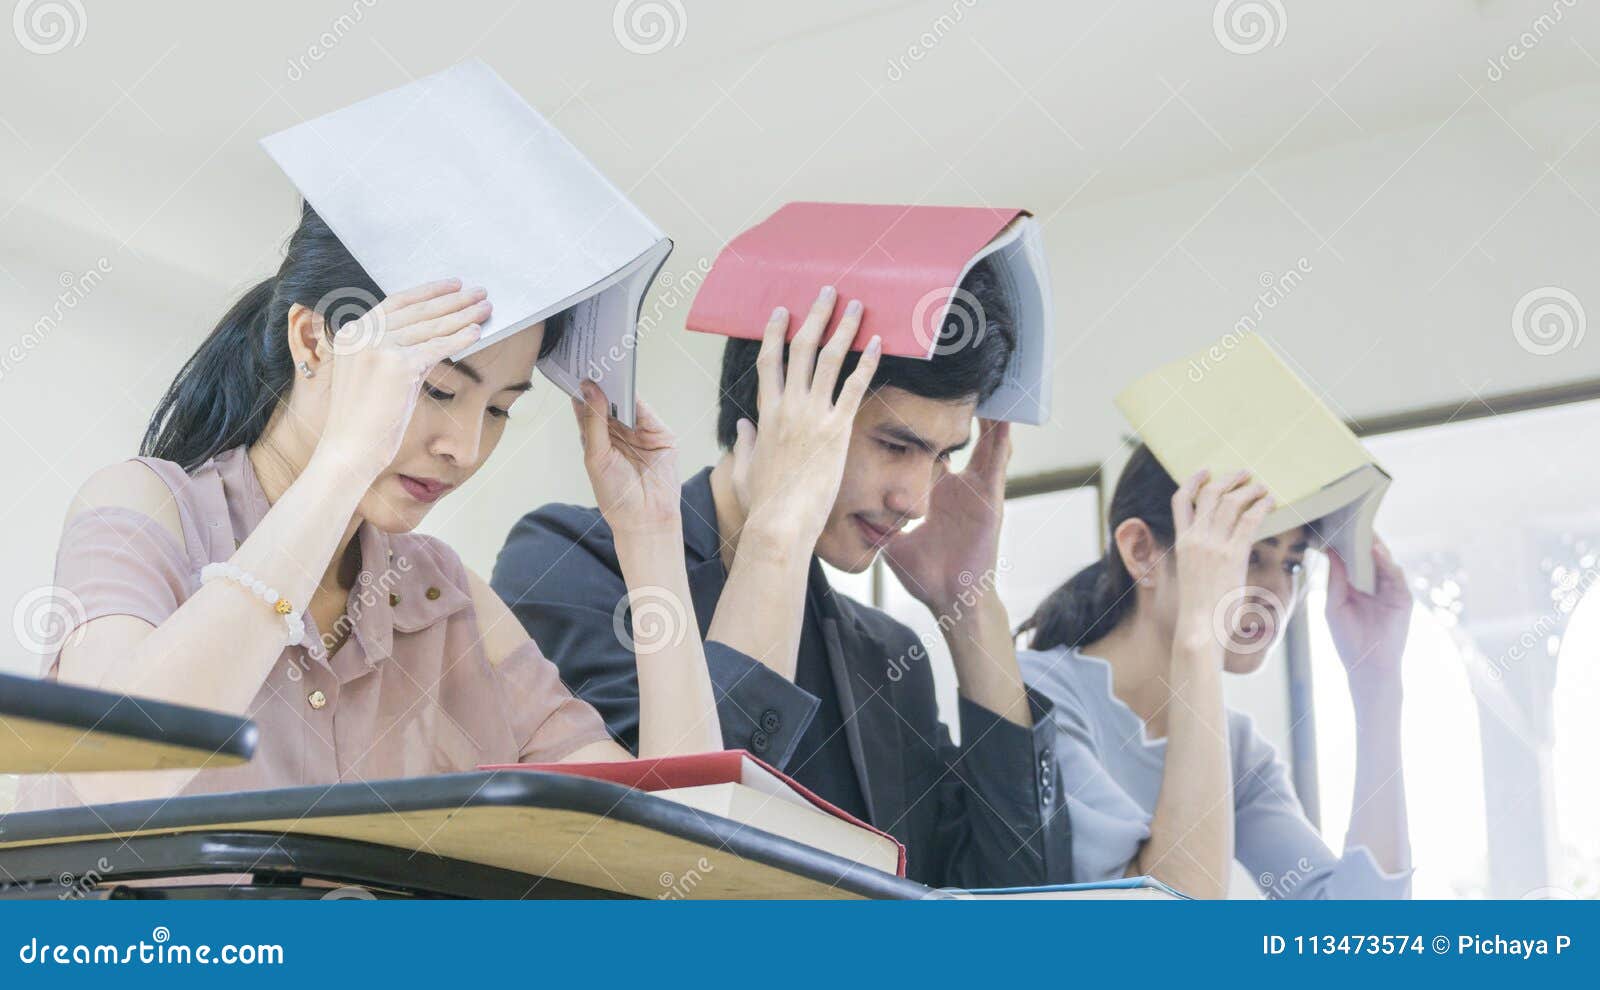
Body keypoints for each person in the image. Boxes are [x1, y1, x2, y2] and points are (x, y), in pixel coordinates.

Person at [16, 204, 720, 810]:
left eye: (500, 410)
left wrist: (649, 535)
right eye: (440, 390)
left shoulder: (440, 595)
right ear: (313, 340)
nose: (466, 447)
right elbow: (113, 768)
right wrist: (344, 463)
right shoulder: (147, 503)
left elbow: (669, 840)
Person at [493, 263, 1072, 887]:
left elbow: (1022, 896)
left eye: (942, 456)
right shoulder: (574, 561)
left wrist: (971, 607)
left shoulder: (885, 657)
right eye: (895, 446)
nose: (916, 498)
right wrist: (776, 541)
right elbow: (675, 866)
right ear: (780, 408)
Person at [1017, 444, 1414, 898]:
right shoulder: (1037, 693)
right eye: (1247, 555)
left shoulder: (1238, 750)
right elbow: (1163, 924)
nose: (1276, 593)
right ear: (1142, 550)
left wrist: (1377, 681)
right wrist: (1199, 638)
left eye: (1291, 563)